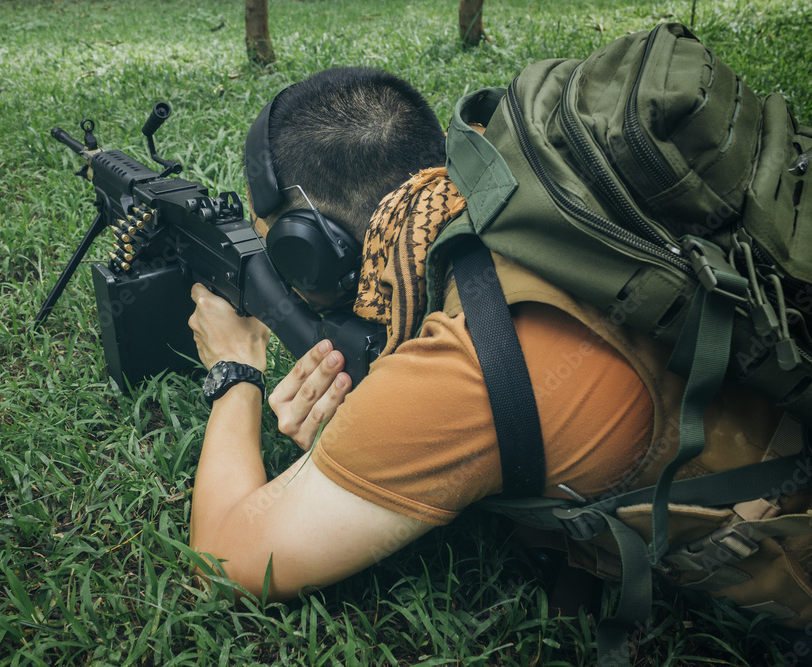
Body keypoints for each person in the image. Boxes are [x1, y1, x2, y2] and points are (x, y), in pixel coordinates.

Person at [185, 66, 655, 601]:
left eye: (277, 249)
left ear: (312, 248)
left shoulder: (456, 369)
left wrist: (236, 369)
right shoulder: (505, 177)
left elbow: (221, 560)